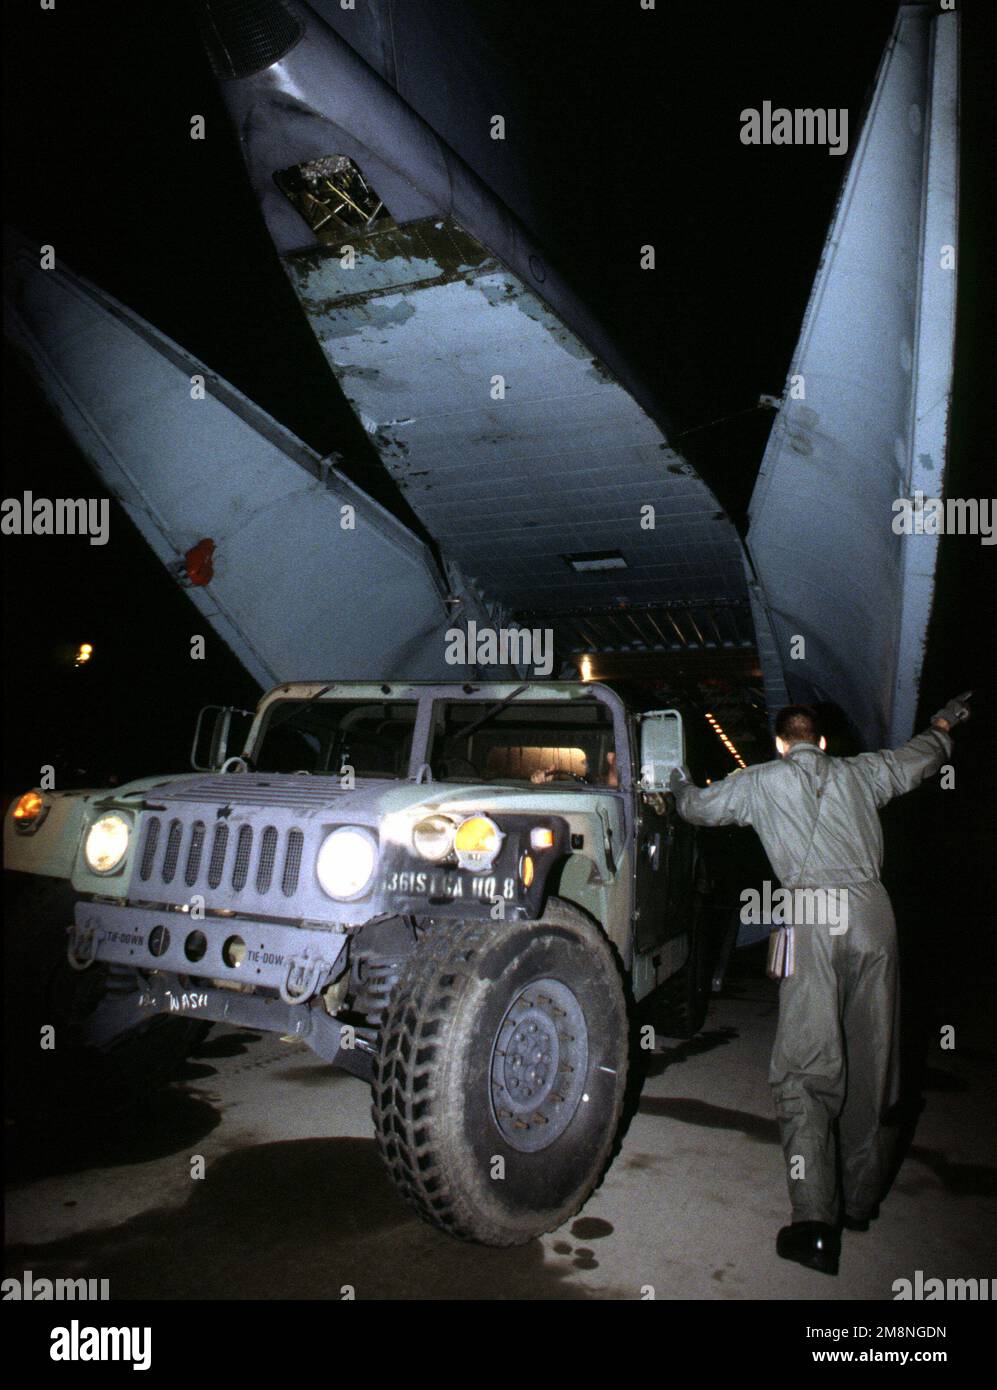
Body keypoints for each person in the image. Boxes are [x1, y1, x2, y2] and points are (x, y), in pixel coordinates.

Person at [669, 693, 972, 1276]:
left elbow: (698, 810)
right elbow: (922, 757)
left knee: (807, 1069)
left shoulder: (759, 780)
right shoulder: (864, 773)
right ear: (823, 742)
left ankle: (813, 1223)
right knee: (874, 1061)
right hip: (873, 917)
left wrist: (679, 785)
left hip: (812, 916)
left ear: (782, 744)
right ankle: (859, 1203)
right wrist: (943, 723)